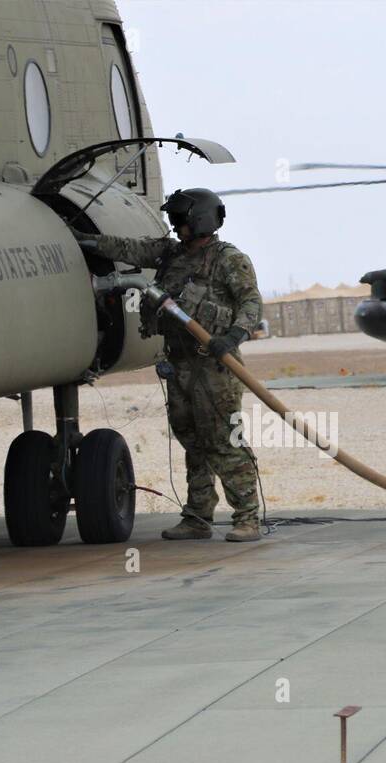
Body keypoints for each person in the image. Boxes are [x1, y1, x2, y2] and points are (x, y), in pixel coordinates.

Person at [75, 188, 264, 542]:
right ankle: (198, 516)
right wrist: (88, 242)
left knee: (223, 440)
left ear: (200, 220)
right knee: (191, 440)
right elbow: (132, 249)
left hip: (214, 365)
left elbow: (251, 303)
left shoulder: (228, 259)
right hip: (179, 364)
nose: (176, 227)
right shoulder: (170, 254)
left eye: (180, 220)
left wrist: (235, 335)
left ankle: (247, 517)